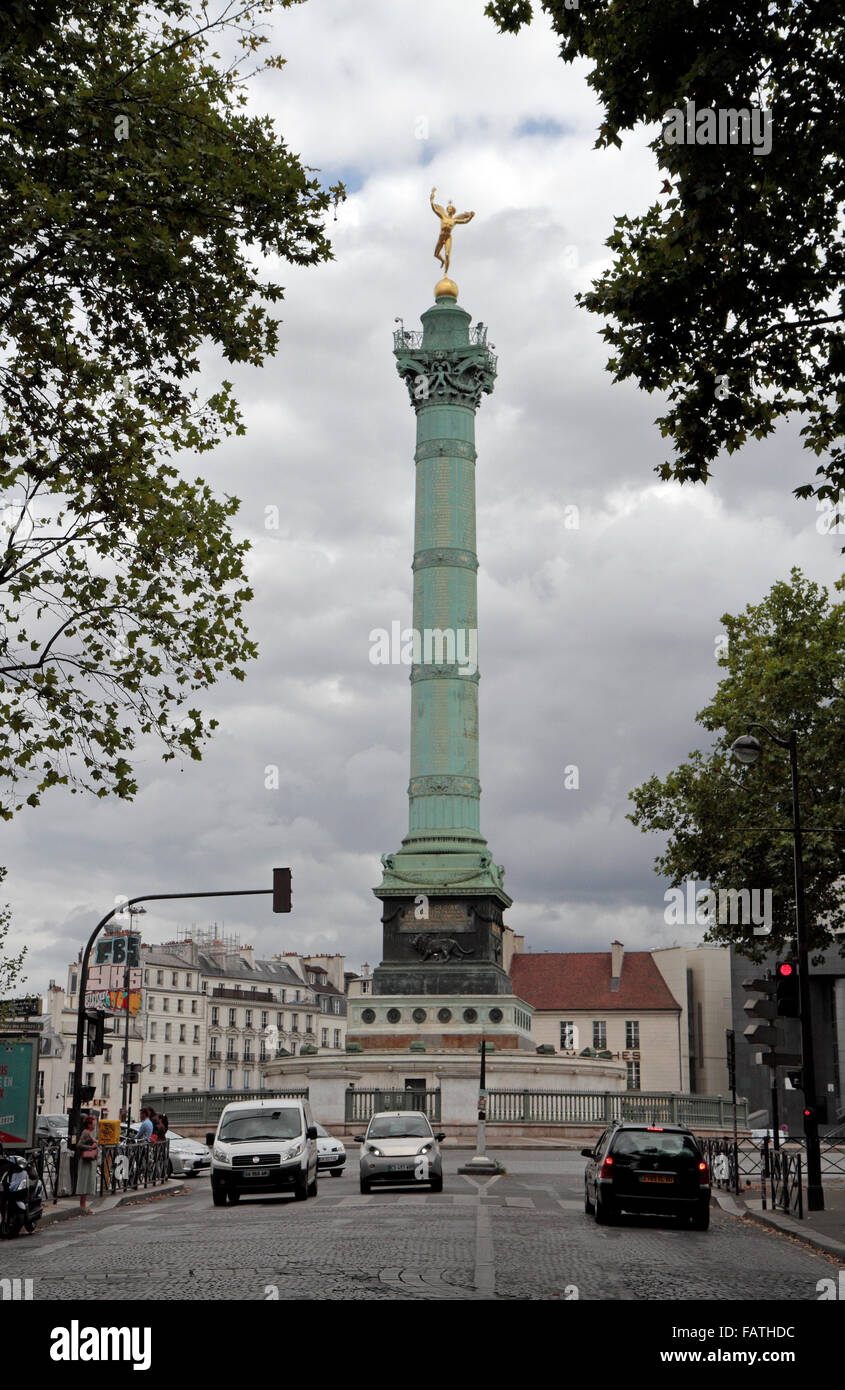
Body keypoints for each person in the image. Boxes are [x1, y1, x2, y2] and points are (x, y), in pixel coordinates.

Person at [76, 1113, 98, 1214]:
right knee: (84, 1181)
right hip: (86, 1160)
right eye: (93, 1123)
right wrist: (91, 1147)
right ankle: (82, 1205)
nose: (95, 1125)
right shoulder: (85, 1133)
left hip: (89, 1160)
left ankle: (83, 1205)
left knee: (87, 1181)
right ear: (89, 1125)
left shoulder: (89, 1133)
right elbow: (79, 1145)